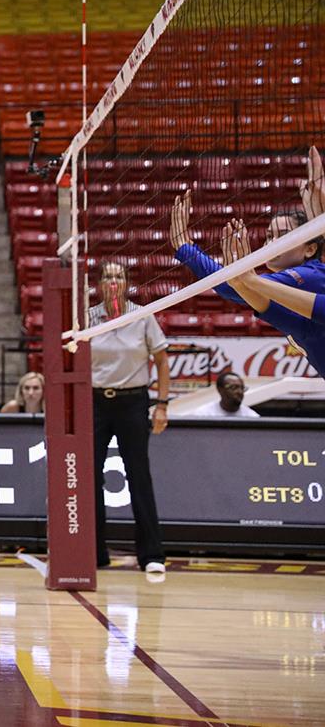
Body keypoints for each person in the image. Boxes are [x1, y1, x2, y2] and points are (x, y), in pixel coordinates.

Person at [171, 189, 325, 374]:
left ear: (310, 249)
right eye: (269, 236)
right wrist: (237, 279)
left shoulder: (309, 276)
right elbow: (239, 287)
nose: (273, 243)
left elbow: (233, 288)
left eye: (283, 236)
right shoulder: (296, 293)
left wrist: (185, 247)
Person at [88, 260, 171, 581]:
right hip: (95, 403)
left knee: (139, 476)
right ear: (99, 283)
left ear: (126, 282)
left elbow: (161, 361)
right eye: (107, 275)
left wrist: (161, 404)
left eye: (118, 275)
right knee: (90, 479)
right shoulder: (88, 318)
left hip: (133, 402)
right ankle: (94, 553)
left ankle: (151, 554)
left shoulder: (142, 315)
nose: (112, 280)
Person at [190, 372, 259, 418]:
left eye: (242, 388)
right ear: (220, 390)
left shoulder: (252, 417)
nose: (239, 392)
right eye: (234, 387)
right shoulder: (203, 414)